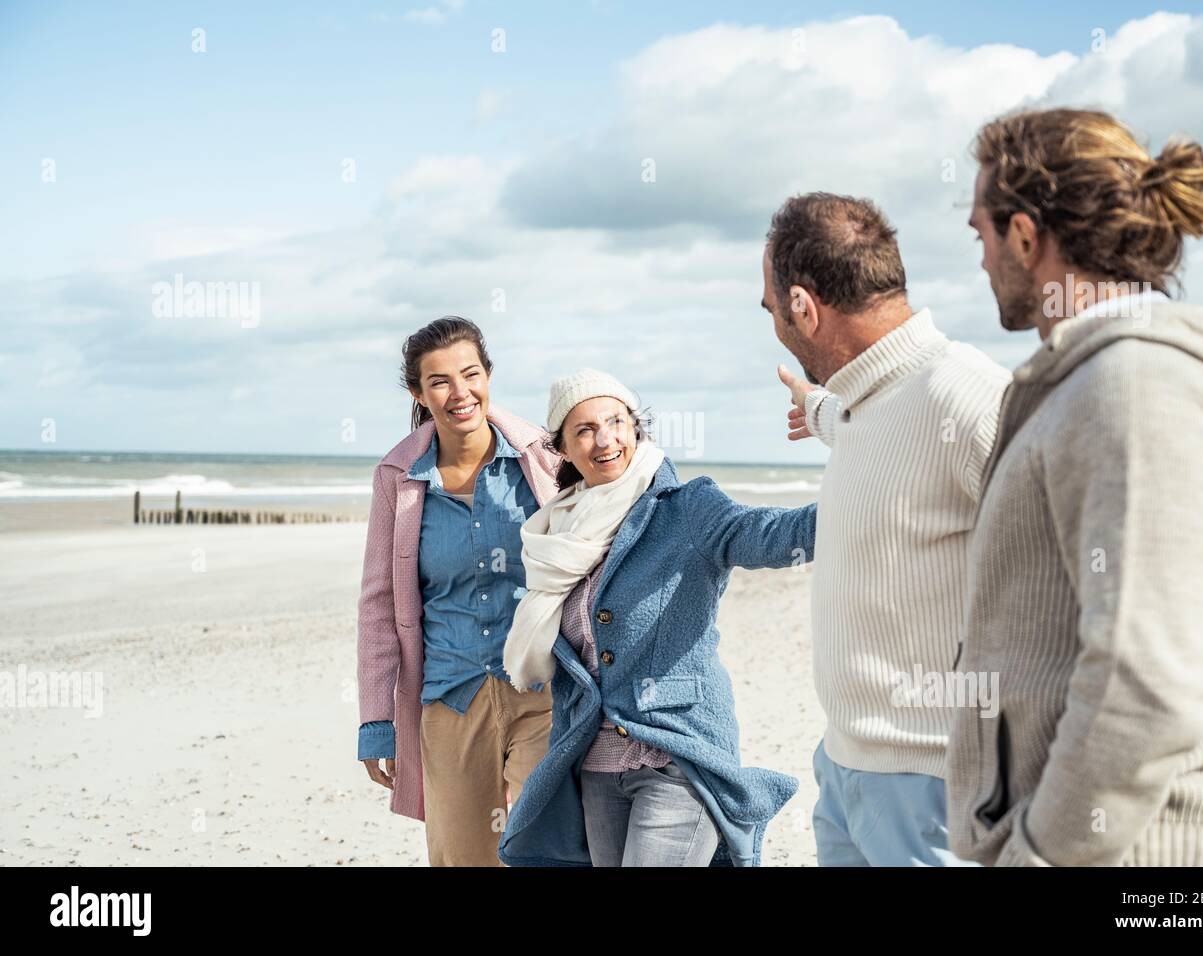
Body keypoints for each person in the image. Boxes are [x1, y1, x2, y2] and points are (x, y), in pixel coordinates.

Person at [948, 107, 1203, 865]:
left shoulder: (1135, 386)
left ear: (1024, 235)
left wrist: (1040, 855)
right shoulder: (1103, 380)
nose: (981, 261)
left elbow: (1144, 685)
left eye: (981, 235)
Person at [767, 192, 1008, 865]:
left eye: (771, 311)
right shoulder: (858, 405)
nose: (775, 326)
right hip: (843, 767)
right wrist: (818, 407)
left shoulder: (968, 395)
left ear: (803, 308)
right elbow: (877, 432)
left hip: (934, 784)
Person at [497, 369, 817, 866]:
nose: (605, 439)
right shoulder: (557, 536)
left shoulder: (687, 509)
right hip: (596, 768)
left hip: (676, 757)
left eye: (615, 422)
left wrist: (858, 476)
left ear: (635, 427)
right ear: (564, 449)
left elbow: (773, 533)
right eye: (585, 430)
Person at [355, 316, 562, 865]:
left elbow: (609, 507)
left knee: (548, 846)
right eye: (440, 381)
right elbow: (378, 605)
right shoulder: (398, 477)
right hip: (450, 699)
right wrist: (376, 723)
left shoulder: (542, 458)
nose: (459, 392)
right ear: (419, 394)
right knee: (464, 857)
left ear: (488, 376)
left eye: (470, 374)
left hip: (542, 691)